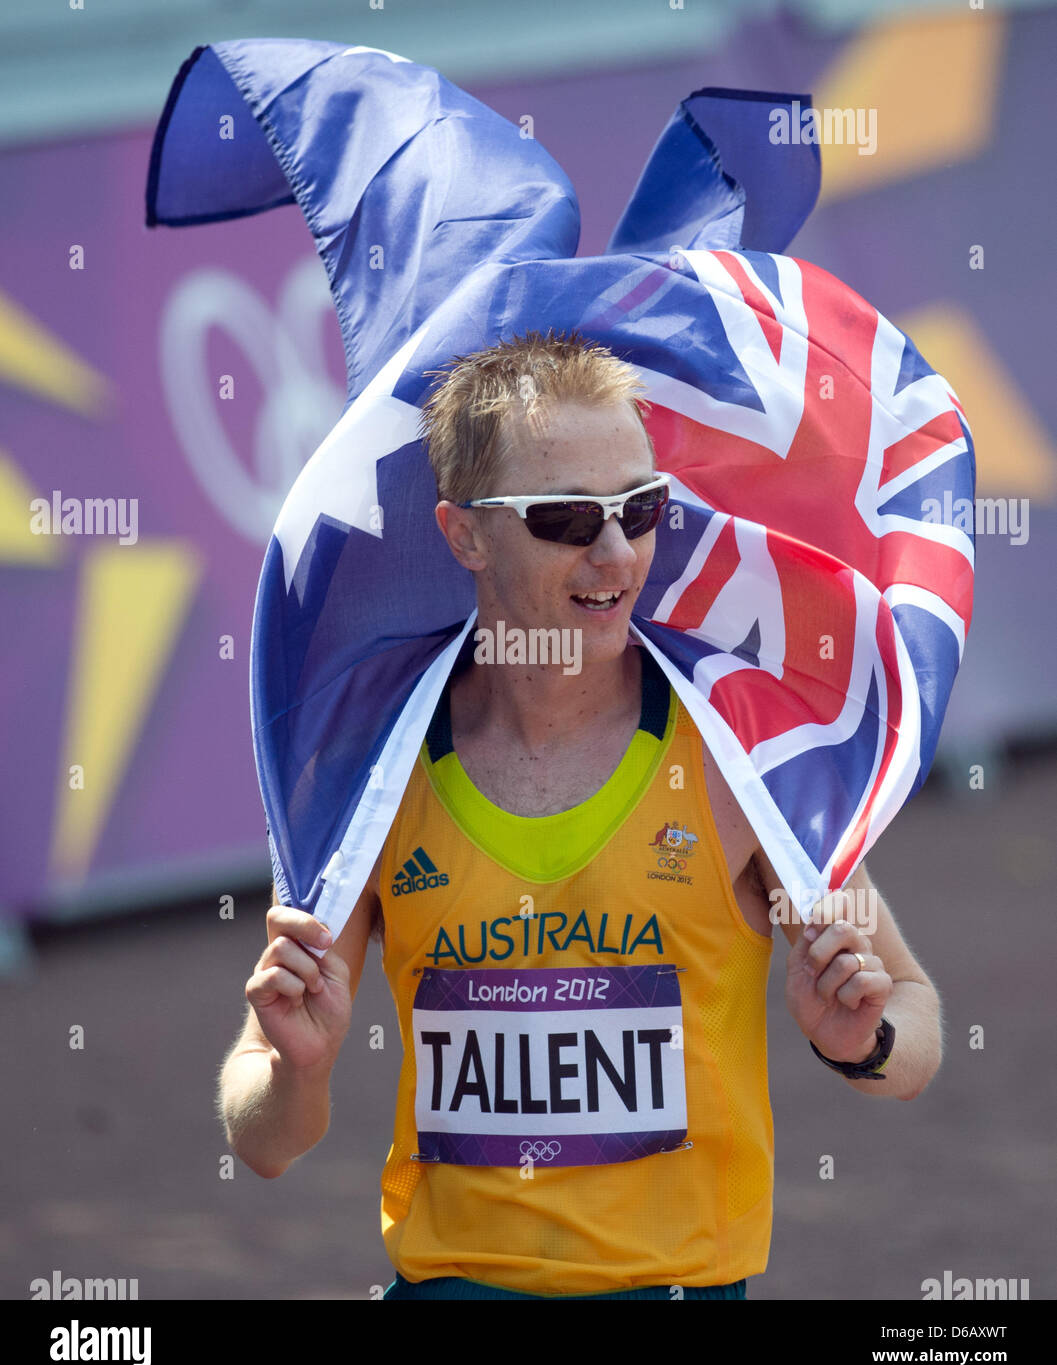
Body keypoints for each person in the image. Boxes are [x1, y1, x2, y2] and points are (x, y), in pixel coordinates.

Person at [218, 331, 943, 1300]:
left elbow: (911, 1022)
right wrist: (295, 1070)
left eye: (640, 509)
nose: (615, 552)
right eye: (565, 517)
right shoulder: (376, 764)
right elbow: (265, 1141)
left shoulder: (733, 751)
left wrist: (860, 1042)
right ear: (462, 532)